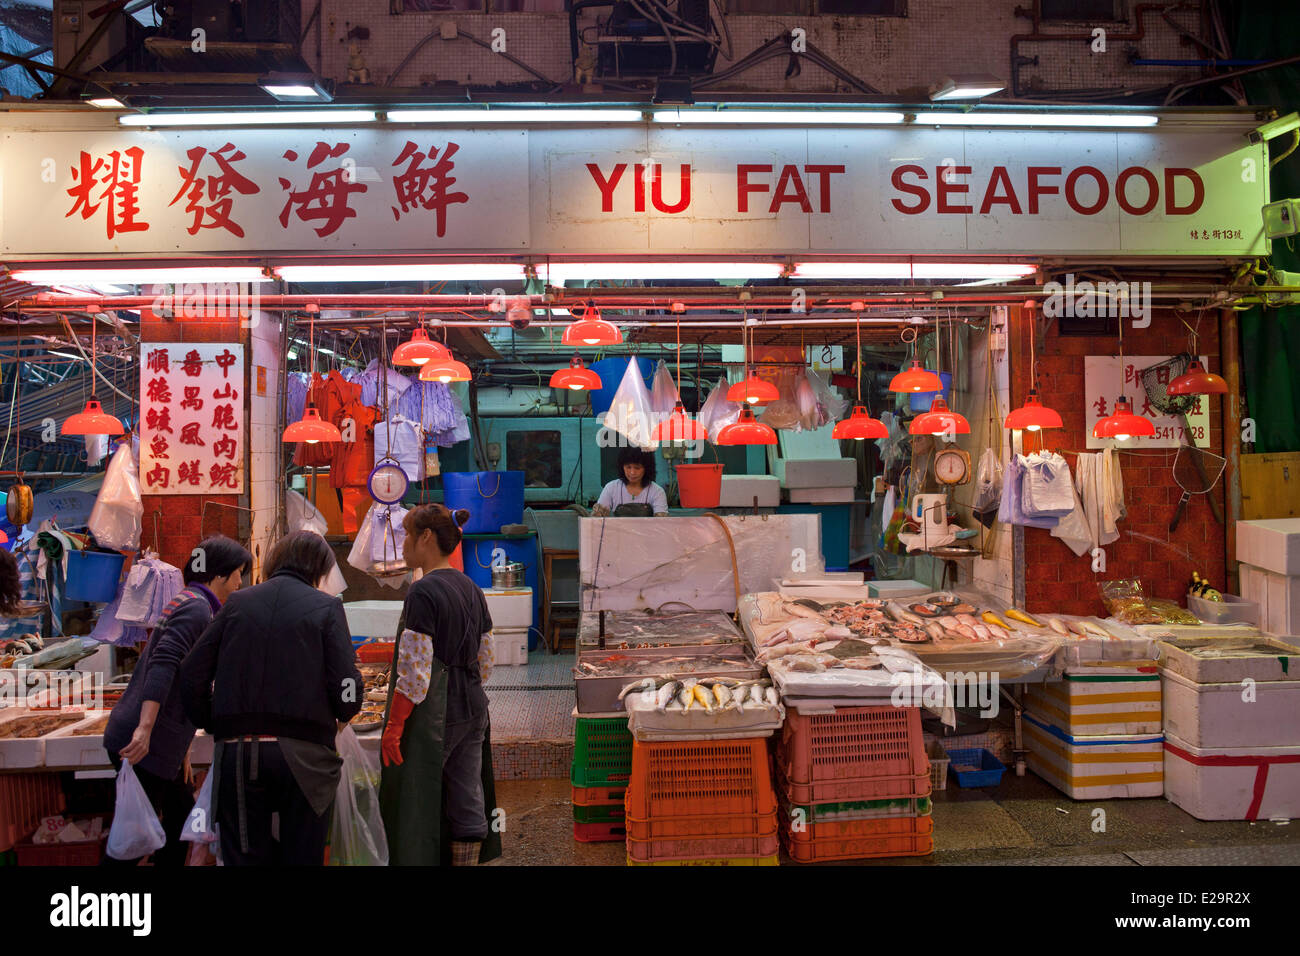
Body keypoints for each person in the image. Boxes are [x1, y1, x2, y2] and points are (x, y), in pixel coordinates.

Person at [179, 531, 362, 866]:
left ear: (277, 560)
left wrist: (212, 720)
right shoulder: (327, 607)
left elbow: (191, 671)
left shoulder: (236, 603)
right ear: (320, 567)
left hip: (239, 752)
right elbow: (347, 683)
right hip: (306, 758)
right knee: (302, 857)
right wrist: (346, 709)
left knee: (246, 857)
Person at [102, 536, 252, 867]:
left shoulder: (191, 601)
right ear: (220, 574)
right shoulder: (197, 608)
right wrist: (145, 730)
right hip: (144, 741)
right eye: (239, 573)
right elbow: (164, 663)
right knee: (131, 840)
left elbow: (183, 677)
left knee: (179, 813)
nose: (241, 582)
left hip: (159, 741)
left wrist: (181, 748)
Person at [379, 504, 502, 866]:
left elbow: (415, 673)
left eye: (406, 535)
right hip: (474, 707)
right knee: (466, 793)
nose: (402, 545)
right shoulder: (471, 587)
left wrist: (394, 725)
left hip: (437, 713)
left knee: (420, 797)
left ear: (426, 538)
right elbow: (487, 657)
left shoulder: (422, 592)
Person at [591, 446, 669, 516]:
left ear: (647, 469)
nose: (632, 472)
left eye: (637, 468)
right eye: (628, 467)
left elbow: (661, 523)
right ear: (622, 467)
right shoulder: (611, 488)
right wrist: (598, 513)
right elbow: (597, 520)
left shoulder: (657, 492)